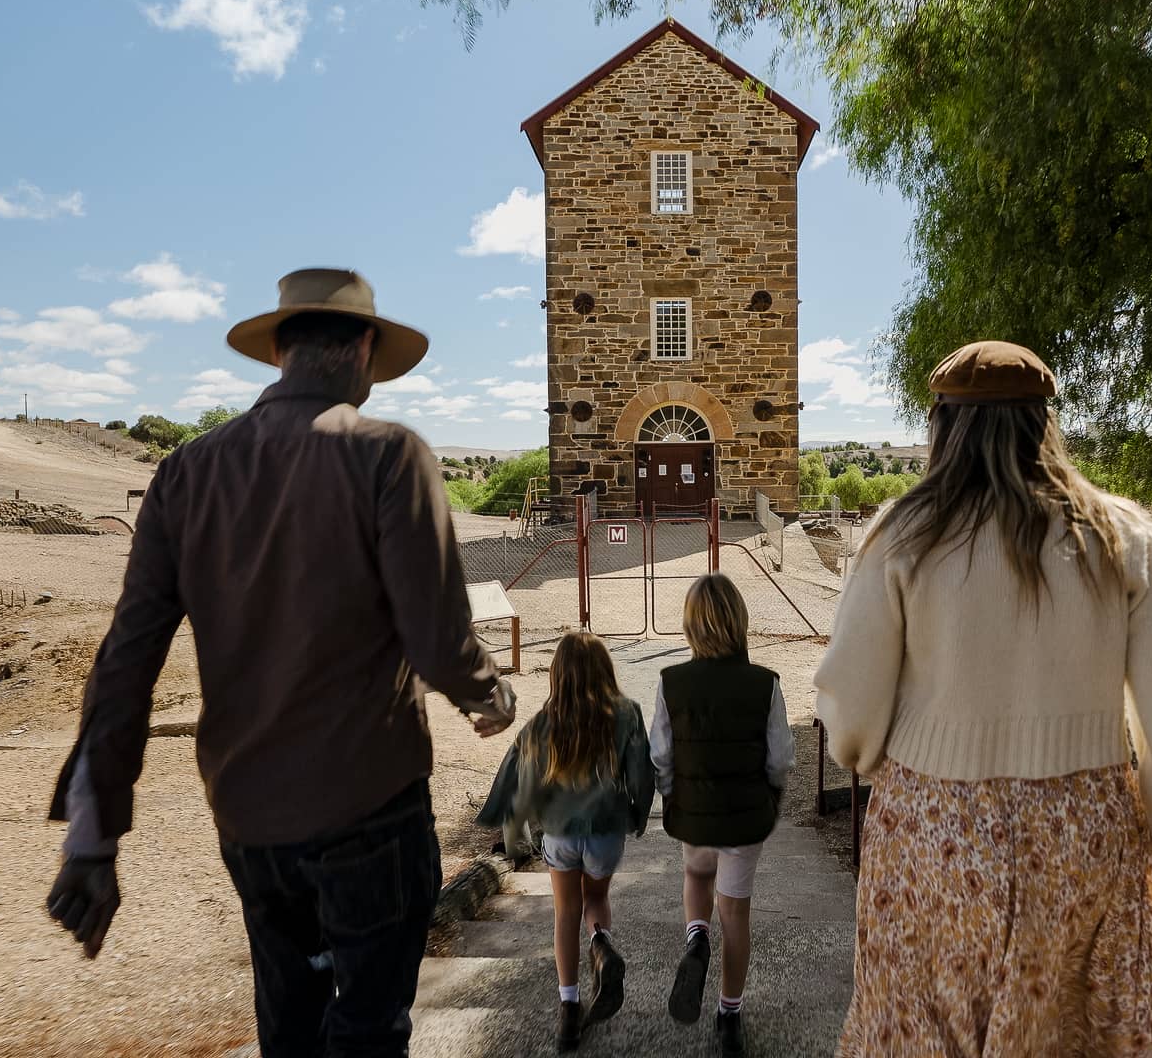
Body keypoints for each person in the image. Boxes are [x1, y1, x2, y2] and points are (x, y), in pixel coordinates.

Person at [44, 268, 517, 1057]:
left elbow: (126, 660)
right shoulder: (388, 454)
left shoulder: (185, 471)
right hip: (370, 806)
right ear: (363, 350)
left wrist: (92, 839)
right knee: (369, 1029)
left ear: (278, 354)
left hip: (250, 819)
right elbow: (438, 639)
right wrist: (490, 694)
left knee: (289, 1026)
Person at [815, 341, 1152, 1057]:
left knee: (919, 1032)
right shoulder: (1121, 539)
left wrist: (862, 749)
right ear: (1044, 424)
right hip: (1084, 838)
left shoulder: (901, 536)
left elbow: (851, 707)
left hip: (931, 833)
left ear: (942, 425)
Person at [477, 630, 653, 1051]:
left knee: (565, 912)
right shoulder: (626, 713)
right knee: (596, 899)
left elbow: (518, 784)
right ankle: (601, 945)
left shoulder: (541, 723)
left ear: (557, 674)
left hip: (560, 833)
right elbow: (642, 775)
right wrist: (637, 816)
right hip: (606, 830)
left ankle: (569, 1010)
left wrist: (513, 837)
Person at [650, 573, 795, 1058]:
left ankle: (696, 939)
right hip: (745, 818)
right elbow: (781, 757)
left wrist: (673, 796)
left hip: (694, 813)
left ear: (690, 626)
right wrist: (772, 797)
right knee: (735, 912)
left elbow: (660, 755)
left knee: (696, 874)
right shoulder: (765, 684)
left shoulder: (671, 682)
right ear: (740, 622)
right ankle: (728, 1013)